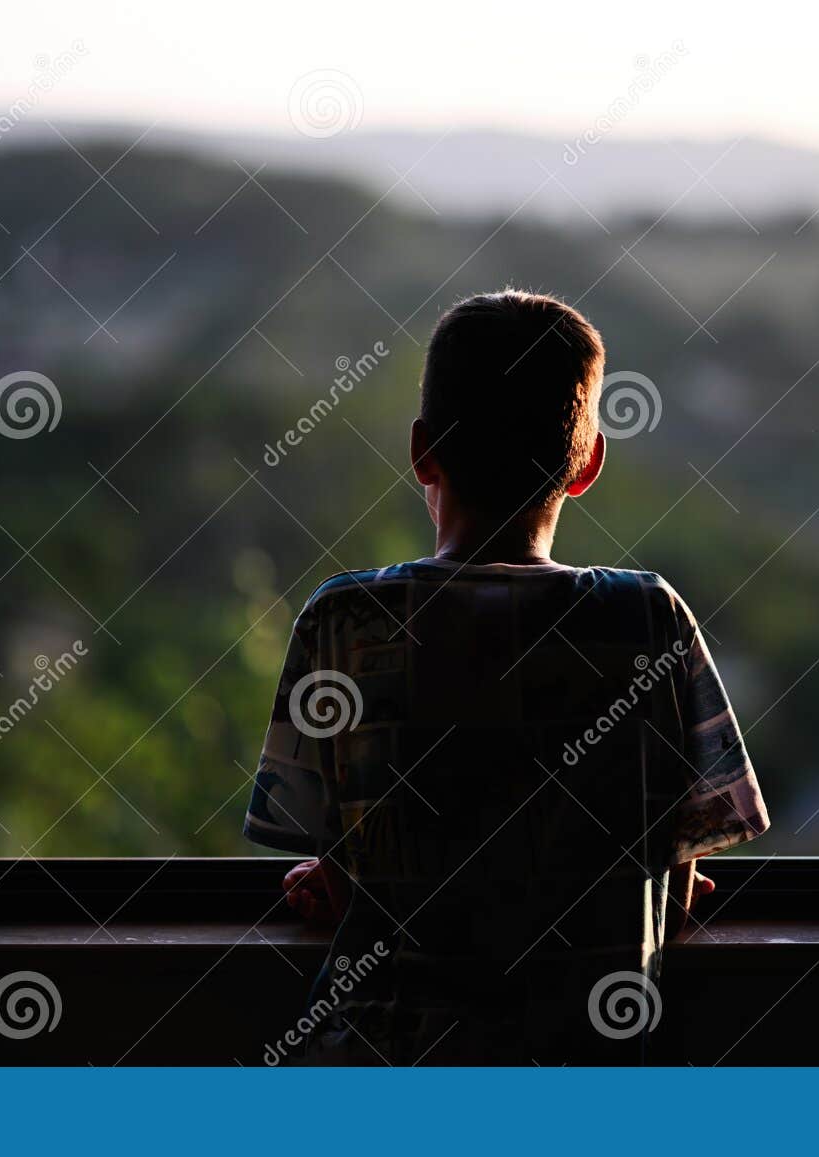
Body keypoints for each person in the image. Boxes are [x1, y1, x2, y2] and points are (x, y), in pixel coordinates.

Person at [243, 289, 768, 1064]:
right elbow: (678, 882)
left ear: (423, 447)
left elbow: (349, 881)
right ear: (587, 463)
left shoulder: (344, 621)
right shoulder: (648, 620)